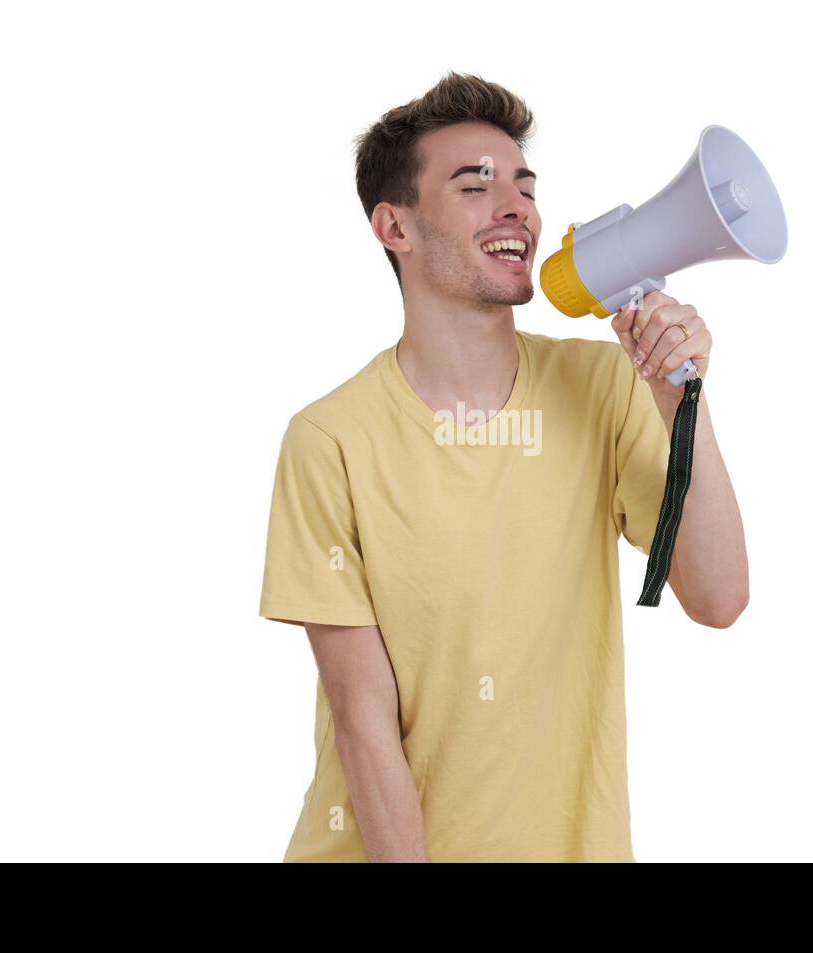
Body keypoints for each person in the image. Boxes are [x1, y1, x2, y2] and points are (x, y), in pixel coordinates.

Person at [259, 71, 749, 862]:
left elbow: (720, 596)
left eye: (524, 184)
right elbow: (362, 718)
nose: (517, 205)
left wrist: (677, 398)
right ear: (396, 227)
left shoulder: (606, 387)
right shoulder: (330, 440)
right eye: (475, 185)